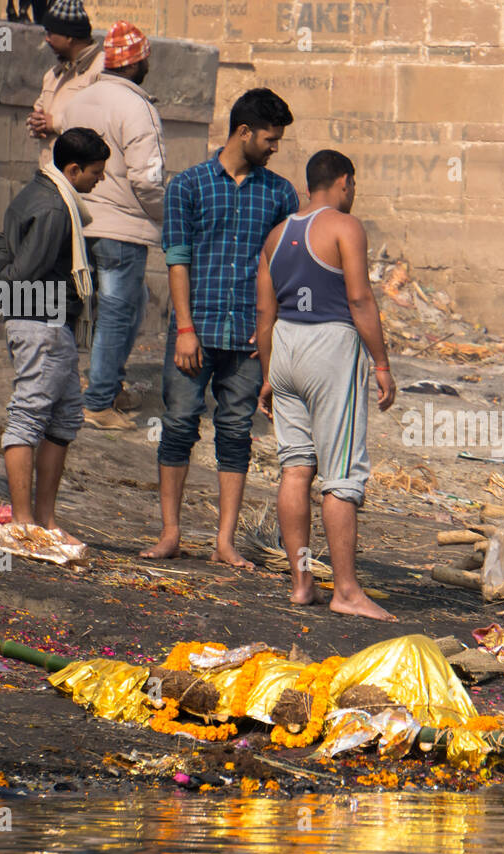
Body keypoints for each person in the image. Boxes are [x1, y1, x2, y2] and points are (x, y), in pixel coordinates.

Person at [142, 88, 299, 565]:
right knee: (178, 426)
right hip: (195, 332)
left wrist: (271, 331)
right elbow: (178, 259)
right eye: (271, 139)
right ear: (244, 132)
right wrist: (184, 328)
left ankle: (224, 542)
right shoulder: (187, 186)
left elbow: (285, 268)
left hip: (250, 339)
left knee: (235, 433)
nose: (275, 148)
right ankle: (170, 533)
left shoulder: (280, 193)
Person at [255, 149, 397, 620]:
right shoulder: (344, 226)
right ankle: (347, 591)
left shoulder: (276, 237)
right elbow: (359, 298)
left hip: (286, 348)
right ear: (344, 182)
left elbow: (264, 313)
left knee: (296, 469)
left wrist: (268, 376)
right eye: (352, 187)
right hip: (329, 347)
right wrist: (381, 363)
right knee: (340, 475)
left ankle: (301, 581)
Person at [0, 128, 109, 528]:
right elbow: (21, 273)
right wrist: (7, 280)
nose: (100, 179)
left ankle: (45, 521)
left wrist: (3, 275)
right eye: (96, 172)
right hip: (44, 324)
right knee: (29, 417)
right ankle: (24, 523)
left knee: (65, 418)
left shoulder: (33, 193)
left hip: (49, 325)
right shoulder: (56, 209)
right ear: (73, 170)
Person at [62, 21, 167, 430]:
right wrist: (166, 218)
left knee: (111, 308)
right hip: (121, 228)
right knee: (117, 314)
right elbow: (147, 179)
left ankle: (105, 385)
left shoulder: (78, 102)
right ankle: (98, 402)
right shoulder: (138, 108)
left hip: (78, 222)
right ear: (138, 62)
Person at [28, 0, 105, 169]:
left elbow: (100, 121)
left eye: (50, 33)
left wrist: (54, 123)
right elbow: (39, 111)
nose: (46, 39)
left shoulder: (101, 71)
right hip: (50, 176)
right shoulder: (53, 74)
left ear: (69, 36)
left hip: (81, 182)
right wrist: (35, 122)